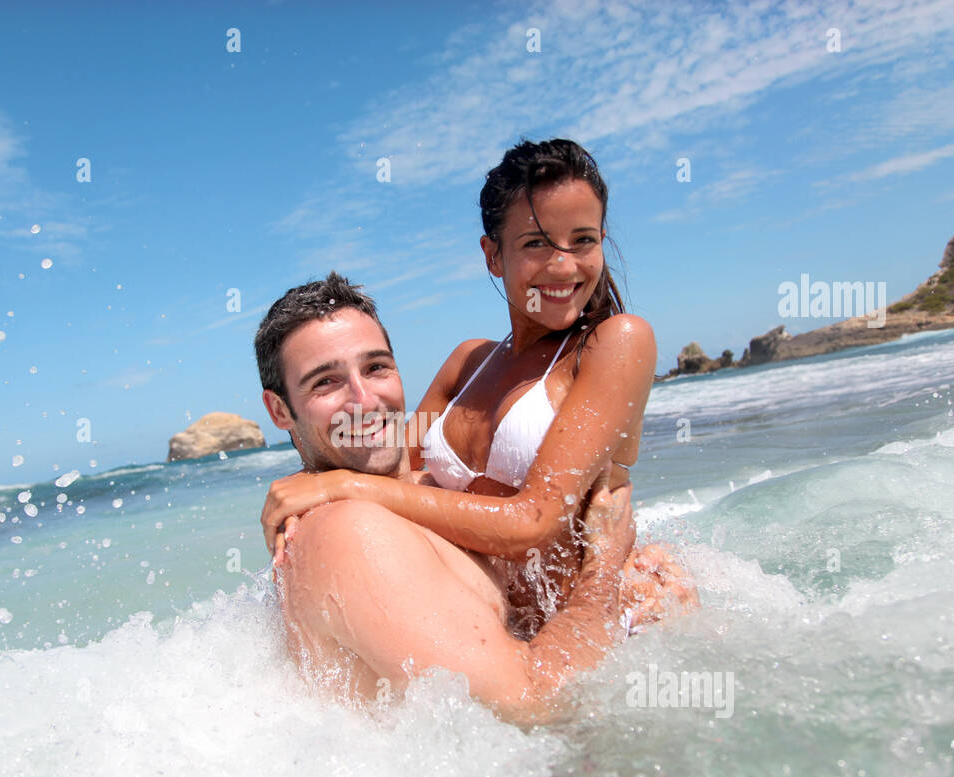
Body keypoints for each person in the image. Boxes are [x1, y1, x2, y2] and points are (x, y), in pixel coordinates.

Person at [261, 139, 679, 634]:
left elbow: (534, 522)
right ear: (493, 255)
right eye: (536, 243)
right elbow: (391, 472)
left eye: (583, 240)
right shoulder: (468, 363)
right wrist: (307, 500)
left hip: (609, 630)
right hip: (505, 642)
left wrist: (335, 486)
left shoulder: (616, 344)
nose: (564, 265)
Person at [255, 274, 693, 725]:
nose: (364, 400)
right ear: (280, 410)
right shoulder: (349, 534)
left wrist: (633, 582)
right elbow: (531, 705)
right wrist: (603, 576)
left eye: (376, 368)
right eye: (325, 382)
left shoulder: (420, 493)